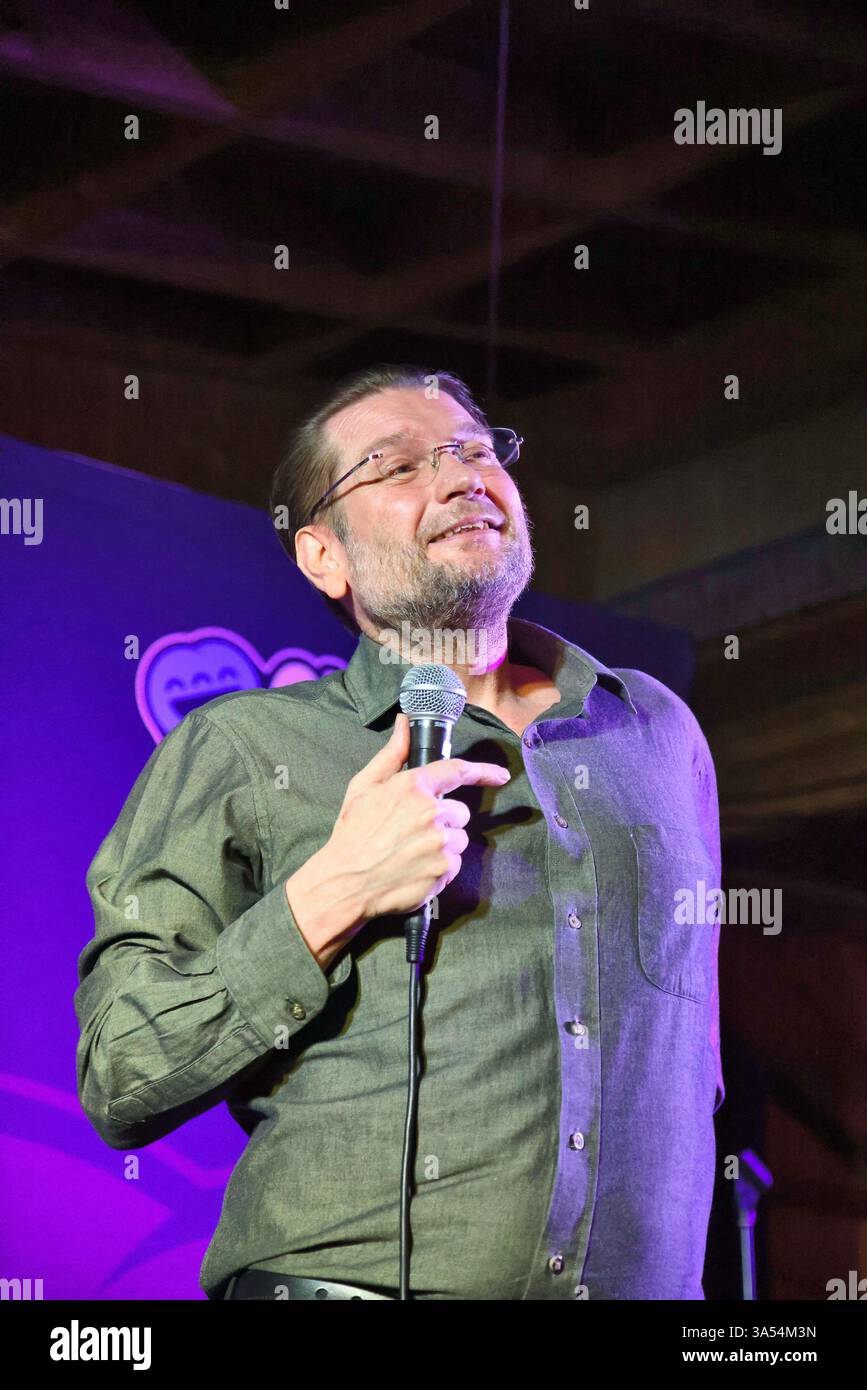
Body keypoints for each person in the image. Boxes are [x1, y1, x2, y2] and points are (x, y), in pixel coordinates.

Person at [75, 363, 724, 1301]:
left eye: (473, 450)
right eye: (398, 466)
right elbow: (122, 1075)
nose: (461, 477)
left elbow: (690, 1060)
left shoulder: (652, 729)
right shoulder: (245, 748)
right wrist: (335, 890)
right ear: (323, 557)